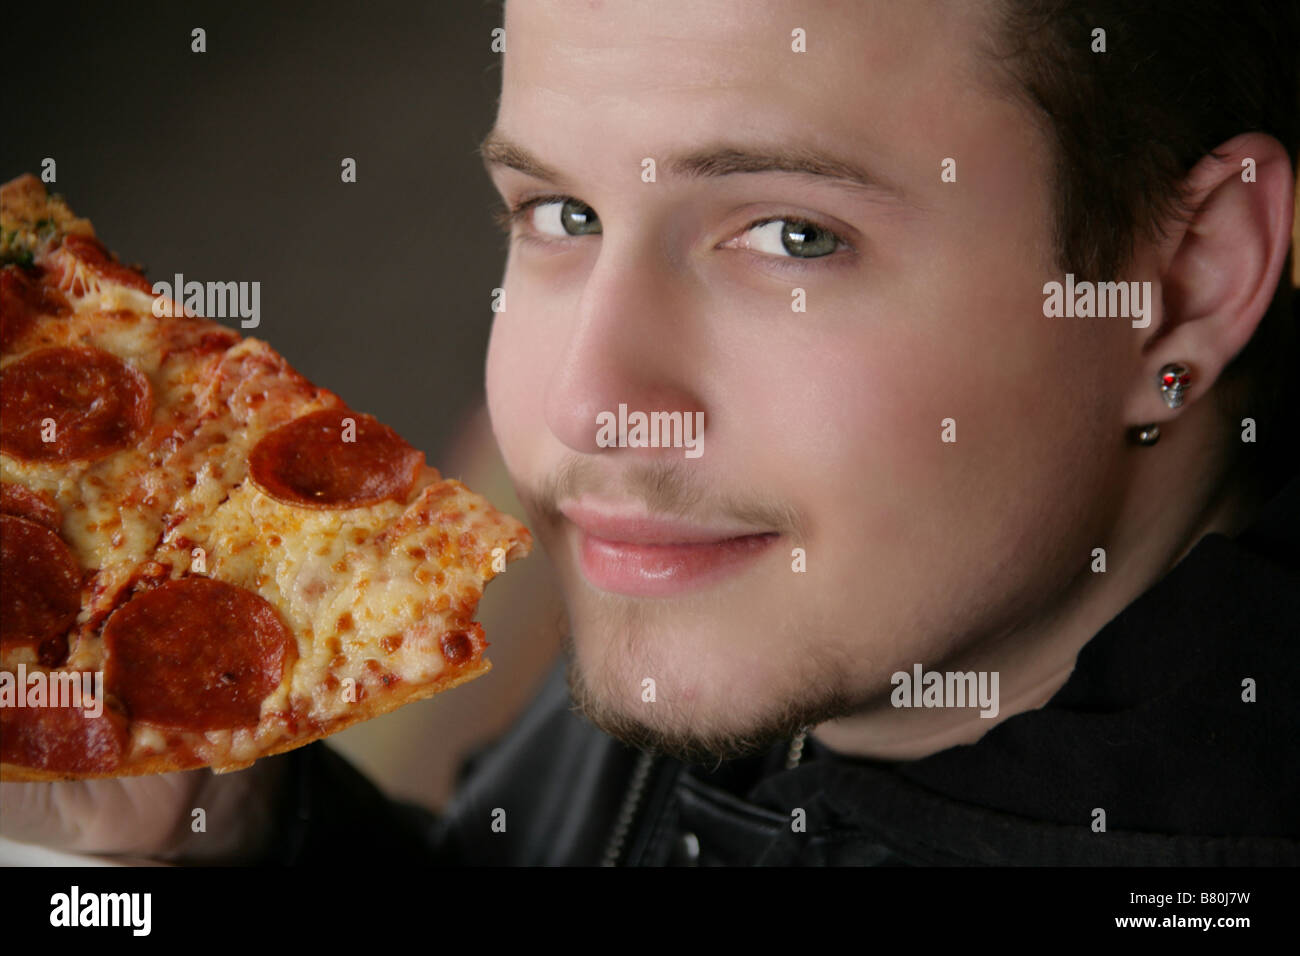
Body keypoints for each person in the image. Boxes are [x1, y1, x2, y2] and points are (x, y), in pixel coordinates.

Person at [4, 0, 1298, 866]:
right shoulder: (796, 595)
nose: (583, 408)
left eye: (794, 237)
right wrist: (222, 832)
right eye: (558, 216)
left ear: (1180, 287)